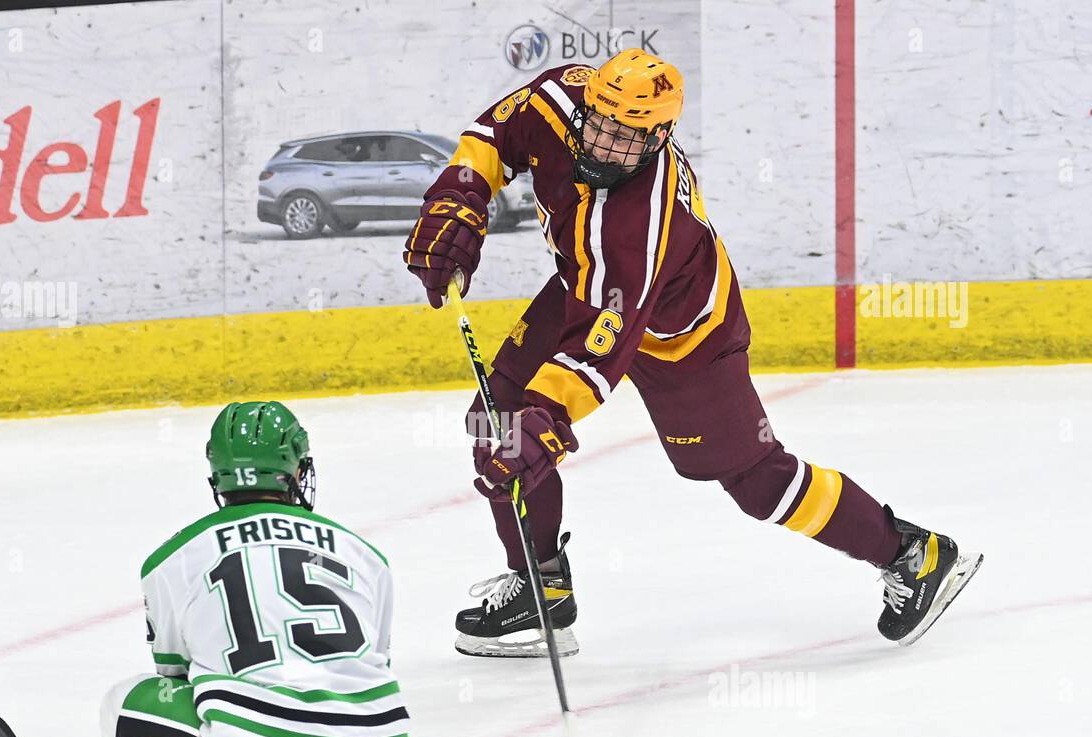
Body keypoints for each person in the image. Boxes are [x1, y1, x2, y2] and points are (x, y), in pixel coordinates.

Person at [403, 49, 981, 658]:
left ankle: (913, 555)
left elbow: (595, 351)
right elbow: (491, 137)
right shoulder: (560, 99)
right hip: (590, 290)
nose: (604, 145)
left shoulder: (636, 221)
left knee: (755, 480)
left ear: (660, 137)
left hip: (684, 335)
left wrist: (544, 422)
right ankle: (540, 588)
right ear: (589, 101)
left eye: (626, 139)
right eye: (599, 124)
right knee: (496, 420)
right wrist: (457, 198)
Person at [99, 401, 411, 737]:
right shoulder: (366, 557)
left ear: (216, 476)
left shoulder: (171, 562)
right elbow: (368, 667)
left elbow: (175, 682)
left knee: (121, 705)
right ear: (298, 470)